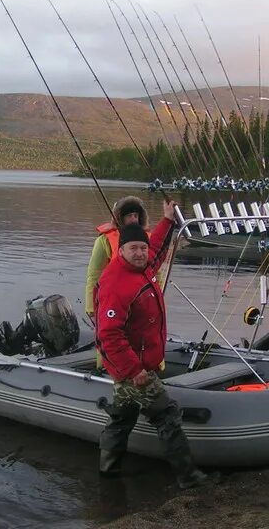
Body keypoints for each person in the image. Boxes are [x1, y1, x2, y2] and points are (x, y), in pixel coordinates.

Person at [93, 201, 217, 489]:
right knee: (166, 413)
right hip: (133, 370)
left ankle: (108, 472)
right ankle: (189, 477)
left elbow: (158, 248)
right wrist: (134, 370)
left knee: (122, 418)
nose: (140, 253)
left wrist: (168, 220)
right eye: (133, 248)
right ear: (120, 250)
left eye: (142, 248)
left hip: (137, 365)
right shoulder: (115, 284)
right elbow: (109, 335)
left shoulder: (142, 268)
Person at [84, 196, 149, 320]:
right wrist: (92, 309)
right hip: (115, 300)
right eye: (129, 216)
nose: (133, 219)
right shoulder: (104, 240)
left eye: (136, 215)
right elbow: (94, 275)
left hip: (142, 300)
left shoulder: (148, 239)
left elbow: (157, 274)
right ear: (120, 218)